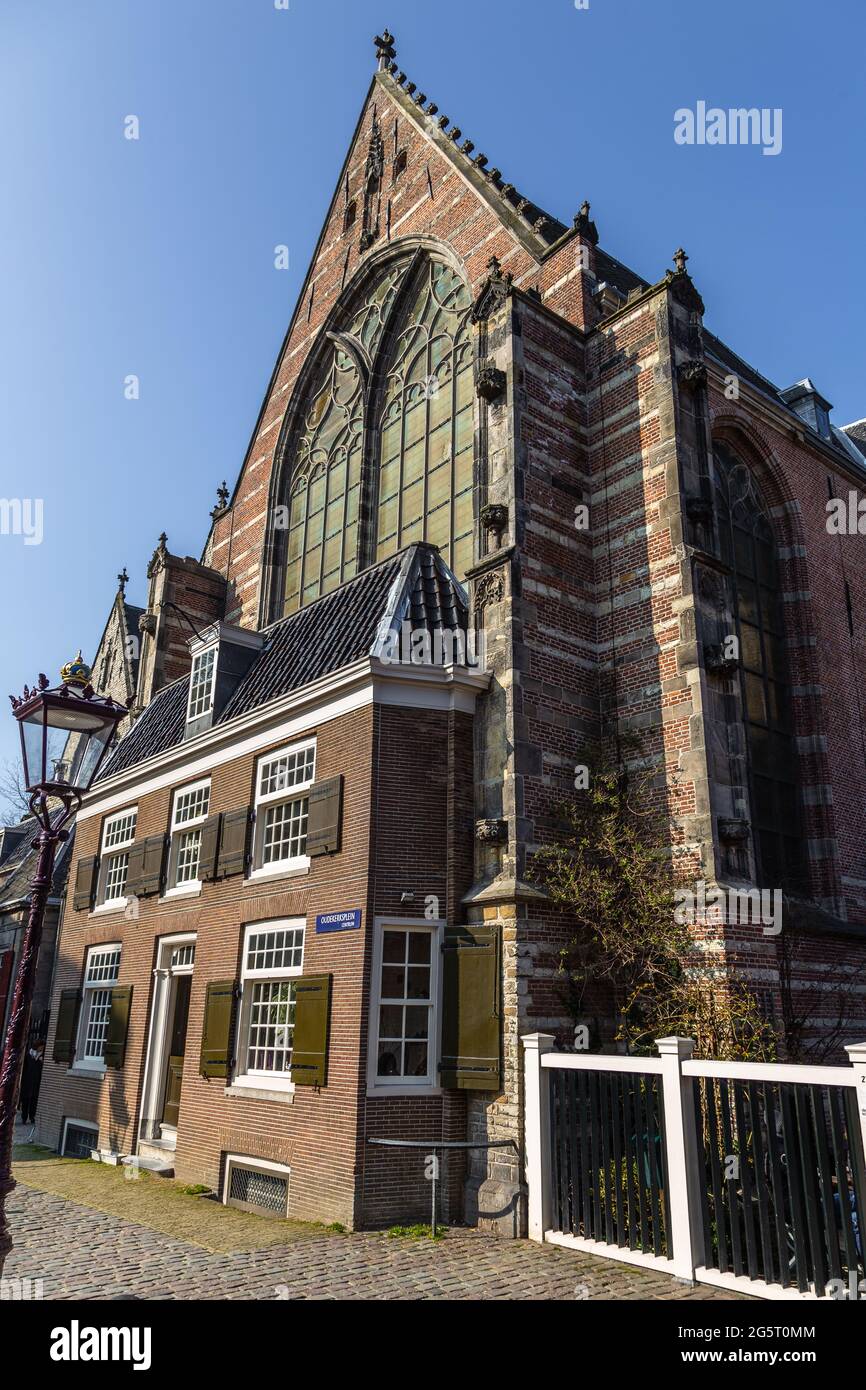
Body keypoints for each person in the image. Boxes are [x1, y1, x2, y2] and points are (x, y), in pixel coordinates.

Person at [19, 1036, 45, 1126]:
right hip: (27, 1081)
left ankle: (32, 1117)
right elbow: (24, 1069)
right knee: (25, 1100)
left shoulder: (42, 1057)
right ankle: (24, 1117)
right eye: (41, 1046)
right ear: (37, 1046)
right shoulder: (28, 1055)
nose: (42, 1048)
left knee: (34, 1100)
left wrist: (41, 1062)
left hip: (36, 1082)